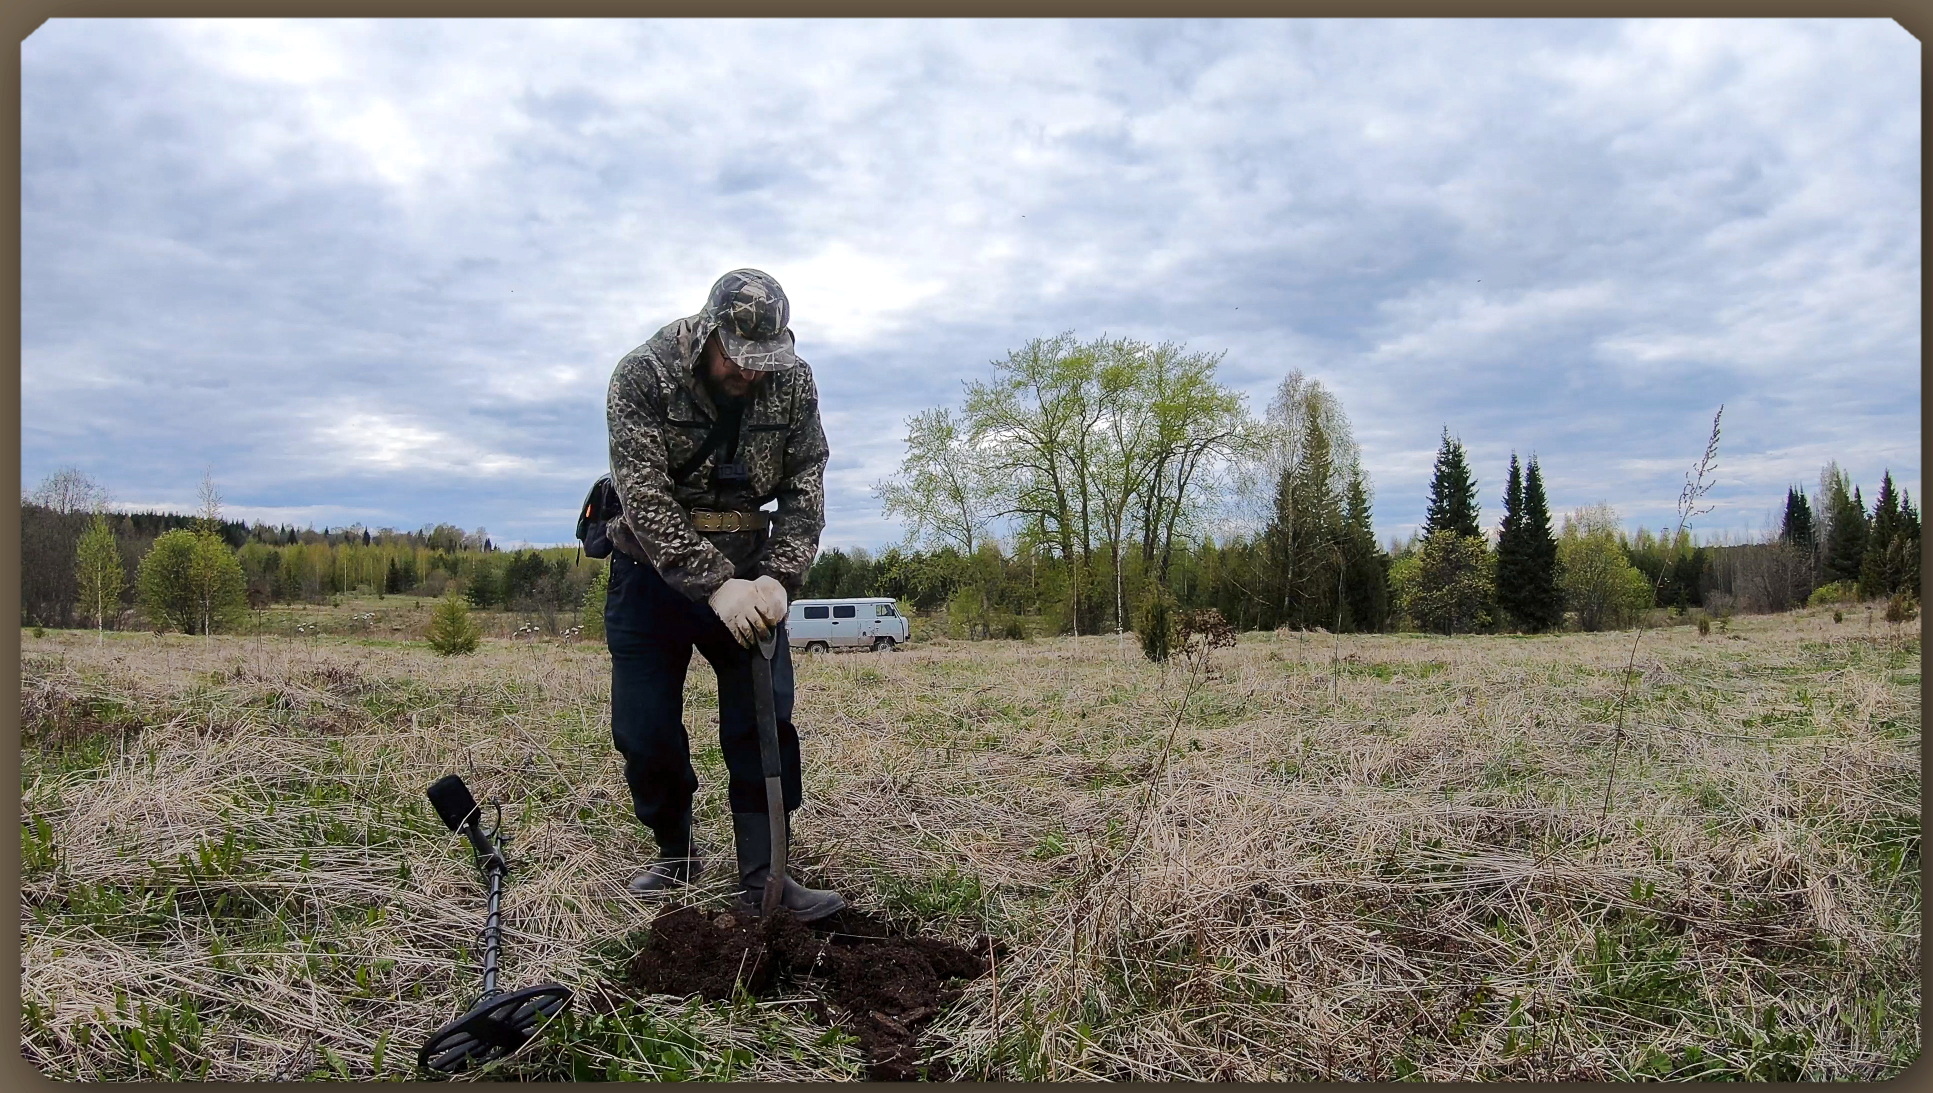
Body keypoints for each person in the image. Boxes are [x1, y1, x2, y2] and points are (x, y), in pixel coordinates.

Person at [599, 268, 845, 922]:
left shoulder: (792, 382)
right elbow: (643, 496)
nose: (751, 376)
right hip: (650, 573)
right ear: (710, 333)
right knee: (643, 730)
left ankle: (766, 877)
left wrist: (777, 577)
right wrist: (713, 584)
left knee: (764, 723)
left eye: (765, 363)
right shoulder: (641, 376)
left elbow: (804, 483)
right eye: (739, 362)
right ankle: (675, 853)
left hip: (750, 571)